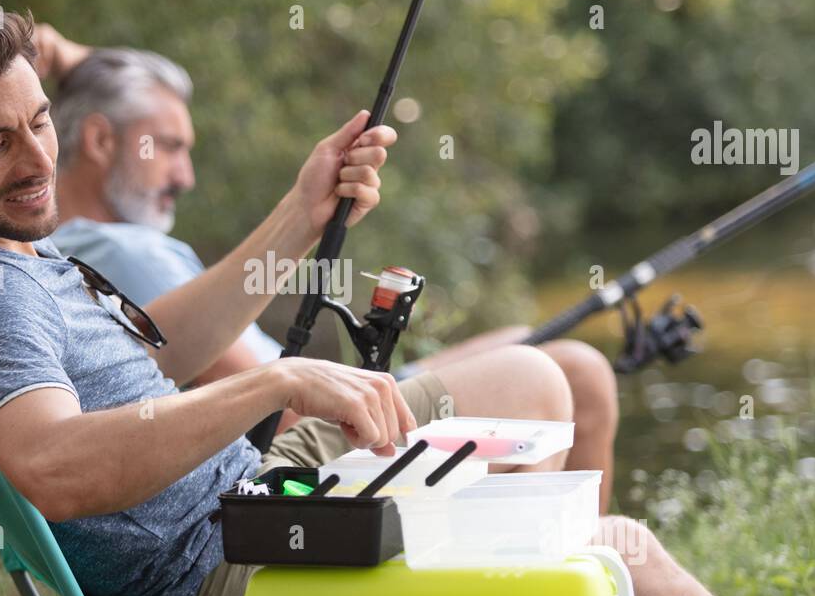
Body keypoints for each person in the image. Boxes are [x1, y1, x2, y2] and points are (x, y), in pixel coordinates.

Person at [0, 0, 815, 596]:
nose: (37, 162)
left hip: (255, 499)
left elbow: (157, 352)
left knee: (540, 379)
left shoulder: (2, 245)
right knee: (617, 562)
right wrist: (285, 377)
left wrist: (303, 207)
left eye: (39, 123)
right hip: (228, 561)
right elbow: (59, 467)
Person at [39, 39, 619, 507]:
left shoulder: (87, 249)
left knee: (533, 351)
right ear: (98, 139)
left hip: (333, 406)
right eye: (168, 147)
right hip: (313, 441)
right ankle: (558, 595)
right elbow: (281, 409)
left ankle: (572, 582)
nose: (185, 176)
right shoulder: (122, 253)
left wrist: (67, 56)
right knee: (570, 372)